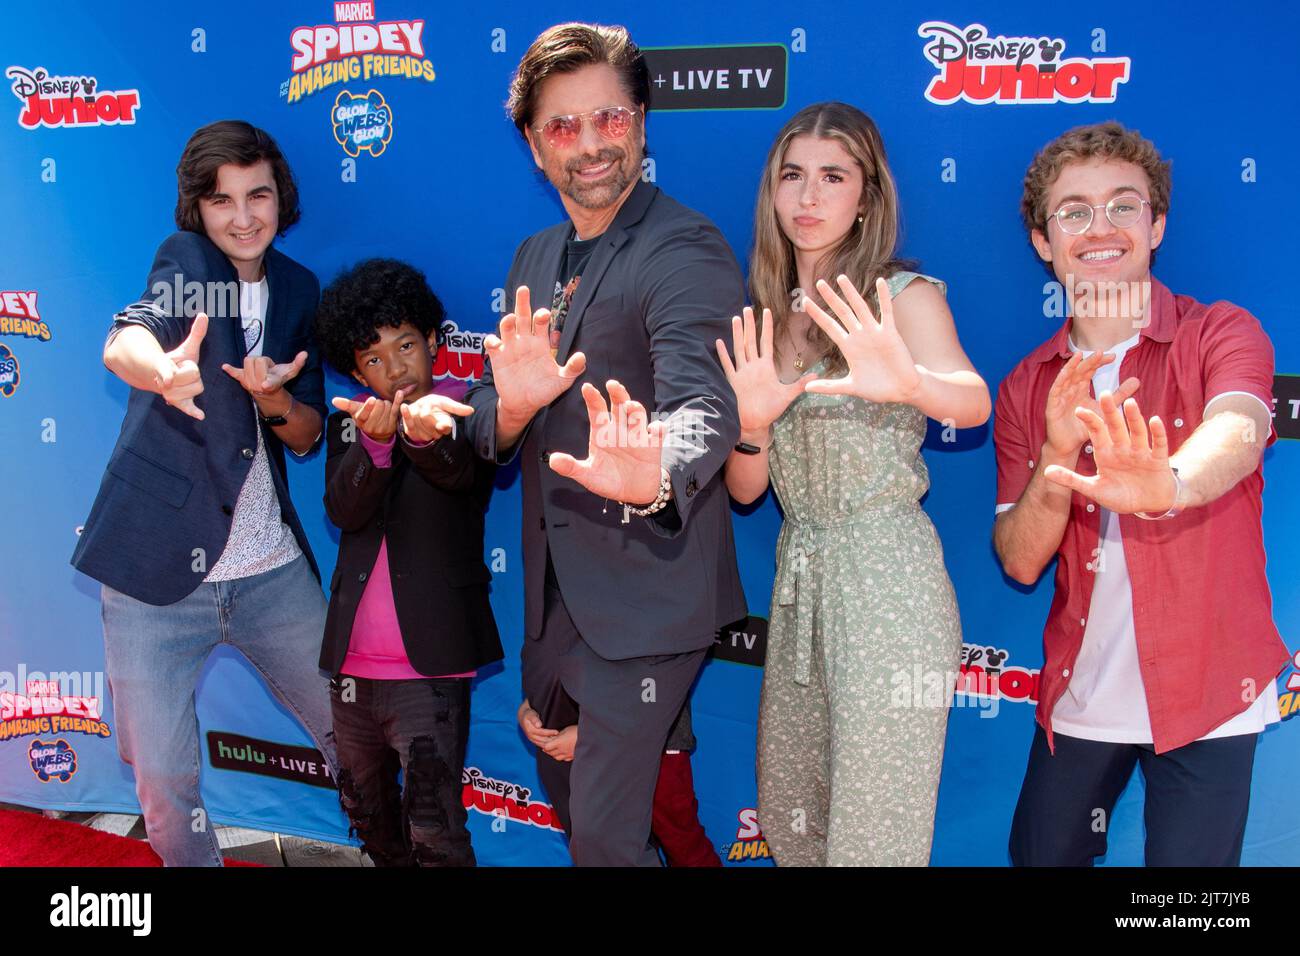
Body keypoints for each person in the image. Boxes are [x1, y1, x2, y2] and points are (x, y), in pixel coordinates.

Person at [463, 22, 746, 866]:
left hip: (647, 596)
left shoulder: (683, 246)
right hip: (554, 598)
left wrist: (656, 472)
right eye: (563, 126)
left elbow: (705, 401)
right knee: (569, 792)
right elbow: (490, 412)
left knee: (604, 839)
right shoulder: (534, 255)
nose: (589, 145)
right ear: (534, 145)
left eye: (609, 119)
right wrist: (511, 411)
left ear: (642, 123)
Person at [993, 121, 1288, 866]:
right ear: (1044, 242)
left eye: (1123, 206)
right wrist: (1058, 455)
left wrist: (1172, 485)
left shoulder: (1219, 331)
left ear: (1156, 227)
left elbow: (1239, 428)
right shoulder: (1026, 385)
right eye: (1075, 212)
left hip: (1211, 686)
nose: (1101, 228)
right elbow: (1020, 561)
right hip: (1082, 689)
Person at [718, 102, 990, 866]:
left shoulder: (903, 296)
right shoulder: (766, 318)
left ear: (867, 197)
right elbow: (745, 492)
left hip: (888, 583)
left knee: (875, 832)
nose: (809, 197)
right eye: (793, 176)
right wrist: (753, 425)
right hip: (798, 583)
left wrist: (909, 384)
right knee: (791, 814)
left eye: (833, 177)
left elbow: (972, 402)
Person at [71, 120, 336, 866]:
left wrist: (273, 401)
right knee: (163, 779)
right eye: (222, 201)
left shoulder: (298, 288)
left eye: (259, 195)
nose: (244, 218)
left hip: (269, 574)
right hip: (154, 578)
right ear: (198, 208)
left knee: (355, 732)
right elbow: (131, 332)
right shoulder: (189, 263)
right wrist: (160, 371)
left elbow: (308, 435)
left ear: (282, 197)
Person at [314, 258, 503, 866]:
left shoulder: (469, 408)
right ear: (355, 371)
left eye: (405, 346)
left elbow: (463, 478)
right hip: (351, 666)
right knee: (367, 815)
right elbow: (342, 511)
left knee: (434, 829)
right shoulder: (352, 423)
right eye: (373, 359)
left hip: (430, 668)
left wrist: (421, 438)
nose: (395, 369)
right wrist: (374, 442)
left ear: (433, 341)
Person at [517, 696, 721, 866]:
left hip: (657, 743)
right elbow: (558, 667)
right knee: (608, 843)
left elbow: (659, 676)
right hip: (590, 744)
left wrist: (590, 733)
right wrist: (532, 702)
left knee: (679, 839)